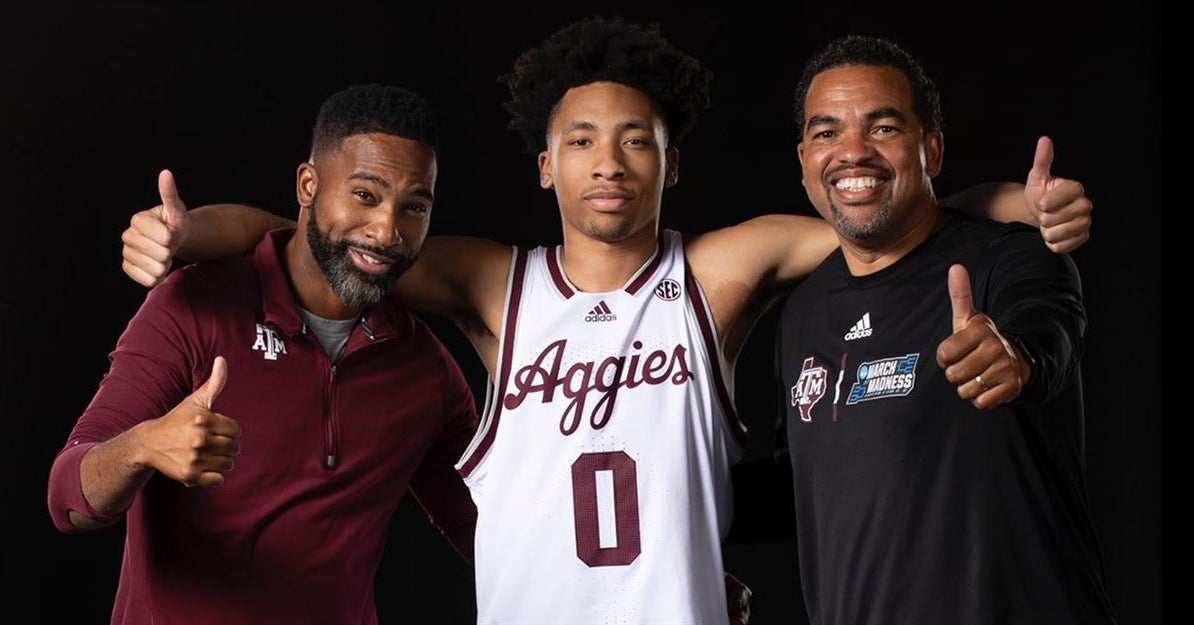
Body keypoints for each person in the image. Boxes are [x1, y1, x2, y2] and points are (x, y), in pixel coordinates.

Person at [116, 17, 1094, 624]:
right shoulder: (496, 283)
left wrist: (1015, 203)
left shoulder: (721, 267)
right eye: (581, 140)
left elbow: (877, 211)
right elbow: (304, 237)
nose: (609, 162)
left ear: (672, 164)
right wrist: (186, 233)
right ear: (545, 164)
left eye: (638, 141)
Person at [47, 83, 480, 625]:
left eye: (414, 206)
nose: (387, 230)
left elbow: (483, 531)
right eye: (365, 195)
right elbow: (68, 497)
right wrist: (142, 447)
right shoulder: (195, 306)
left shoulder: (425, 370)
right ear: (308, 184)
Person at [771, 34, 1117, 624]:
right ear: (803, 157)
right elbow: (807, 483)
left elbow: (1049, 333)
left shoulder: (1005, 260)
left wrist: (1016, 358)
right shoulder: (802, 311)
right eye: (827, 133)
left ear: (931, 149)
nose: (852, 152)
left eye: (883, 128)